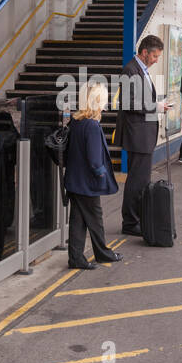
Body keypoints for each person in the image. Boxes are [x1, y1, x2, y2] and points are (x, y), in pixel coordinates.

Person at [114, 33, 171, 236]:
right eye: (155, 56)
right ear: (145, 52)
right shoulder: (130, 70)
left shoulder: (141, 70)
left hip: (143, 134)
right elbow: (130, 103)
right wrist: (157, 106)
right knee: (137, 181)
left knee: (141, 179)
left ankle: (136, 218)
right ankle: (130, 223)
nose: (156, 60)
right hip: (137, 135)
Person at [64, 82, 124, 270]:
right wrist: (101, 173)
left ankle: (76, 258)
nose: (106, 105)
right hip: (87, 182)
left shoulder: (76, 121)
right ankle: (103, 254)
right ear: (96, 101)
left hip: (75, 180)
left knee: (78, 220)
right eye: (104, 100)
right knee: (95, 218)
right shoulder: (91, 125)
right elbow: (94, 158)